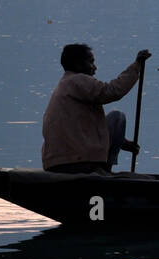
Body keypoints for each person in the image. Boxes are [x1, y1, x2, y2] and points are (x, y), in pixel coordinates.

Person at [41, 44, 151, 173]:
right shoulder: (77, 81)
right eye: (91, 62)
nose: (95, 68)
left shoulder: (65, 84)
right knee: (117, 117)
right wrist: (136, 66)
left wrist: (121, 142)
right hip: (76, 161)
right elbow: (112, 91)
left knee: (114, 120)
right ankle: (105, 170)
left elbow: (78, 128)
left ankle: (102, 169)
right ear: (78, 64)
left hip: (57, 161)